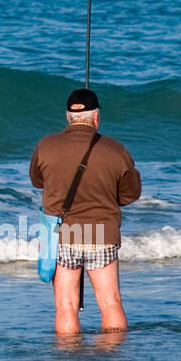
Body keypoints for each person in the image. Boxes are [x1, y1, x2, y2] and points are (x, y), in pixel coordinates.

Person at [29, 88, 140, 335]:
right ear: (96, 118)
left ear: (68, 117)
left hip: (65, 234)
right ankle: (112, 359)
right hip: (102, 234)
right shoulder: (116, 150)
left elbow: (37, 181)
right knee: (110, 302)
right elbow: (130, 195)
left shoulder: (46, 146)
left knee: (65, 305)